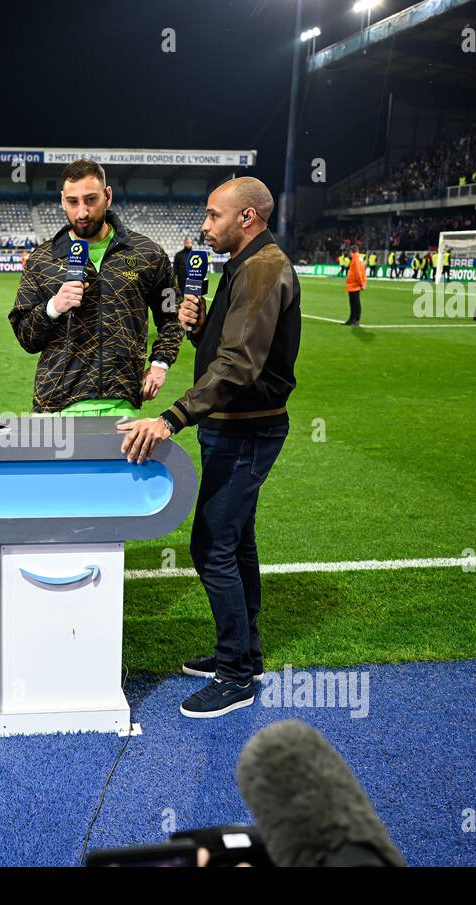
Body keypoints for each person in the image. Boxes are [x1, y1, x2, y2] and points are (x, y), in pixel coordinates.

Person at [116, 177, 300, 718]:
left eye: (213, 215)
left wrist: (172, 417)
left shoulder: (264, 267)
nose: (204, 224)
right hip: (236, 424)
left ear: (247, 217)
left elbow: (241, 366)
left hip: (248, 427)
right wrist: (196, 330)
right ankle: (247, 653)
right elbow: (229, 350)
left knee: (212, 546)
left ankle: (236, 674)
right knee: (237, 541)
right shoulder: (243, 264)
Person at [8, 158, 181, 416]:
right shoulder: (42, 259)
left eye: (91, 199)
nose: (82, 212)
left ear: (108, 195)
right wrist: (53, 307)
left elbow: (171, 316)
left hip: (120, 404)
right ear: (62, 200)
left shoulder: (148, 254)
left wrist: (160, 363)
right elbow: (26, 338)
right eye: (73, 202)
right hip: (55, 405)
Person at [344, 243, 366, 326]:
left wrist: (361, 283)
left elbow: (358, 273)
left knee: (355, 303)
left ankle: (356, 320)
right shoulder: (359, 259)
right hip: (354, 285)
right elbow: (362, 272)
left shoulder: (355, 259)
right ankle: (352, 319)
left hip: (354, 285)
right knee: (354, 303)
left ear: (351, 251)